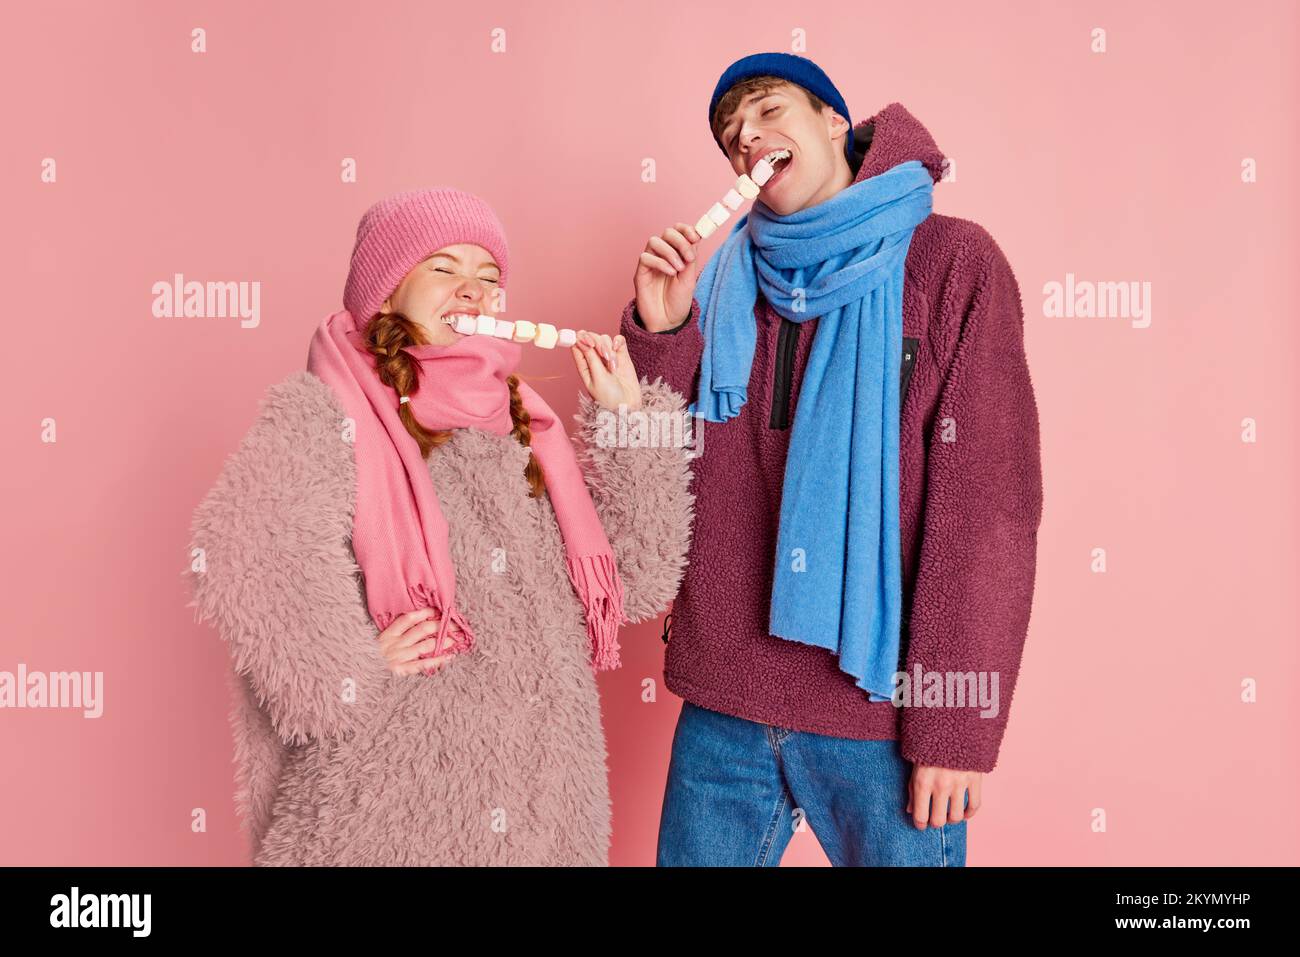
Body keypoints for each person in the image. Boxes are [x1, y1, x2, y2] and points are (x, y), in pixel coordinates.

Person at [186, 187, 695, 865]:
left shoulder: (523, 426)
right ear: (388, 291)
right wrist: (351, 668)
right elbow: (244, 549)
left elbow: (637, 578)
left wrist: (630, 420)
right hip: (395, 813)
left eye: (490, 279)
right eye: (445, 269)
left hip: (543, 808)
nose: (474, 292)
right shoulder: (329, 410)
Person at [622, 52, 1044, 866]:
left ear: (833, 122)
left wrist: (956, 723)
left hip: (880, 717)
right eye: (731, 136)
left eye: (767, 111)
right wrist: (663, 332)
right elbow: (653, 473)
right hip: (723, 701)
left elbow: (988, 509)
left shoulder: (954, 265)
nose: (748, 138)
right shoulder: (721, 285)